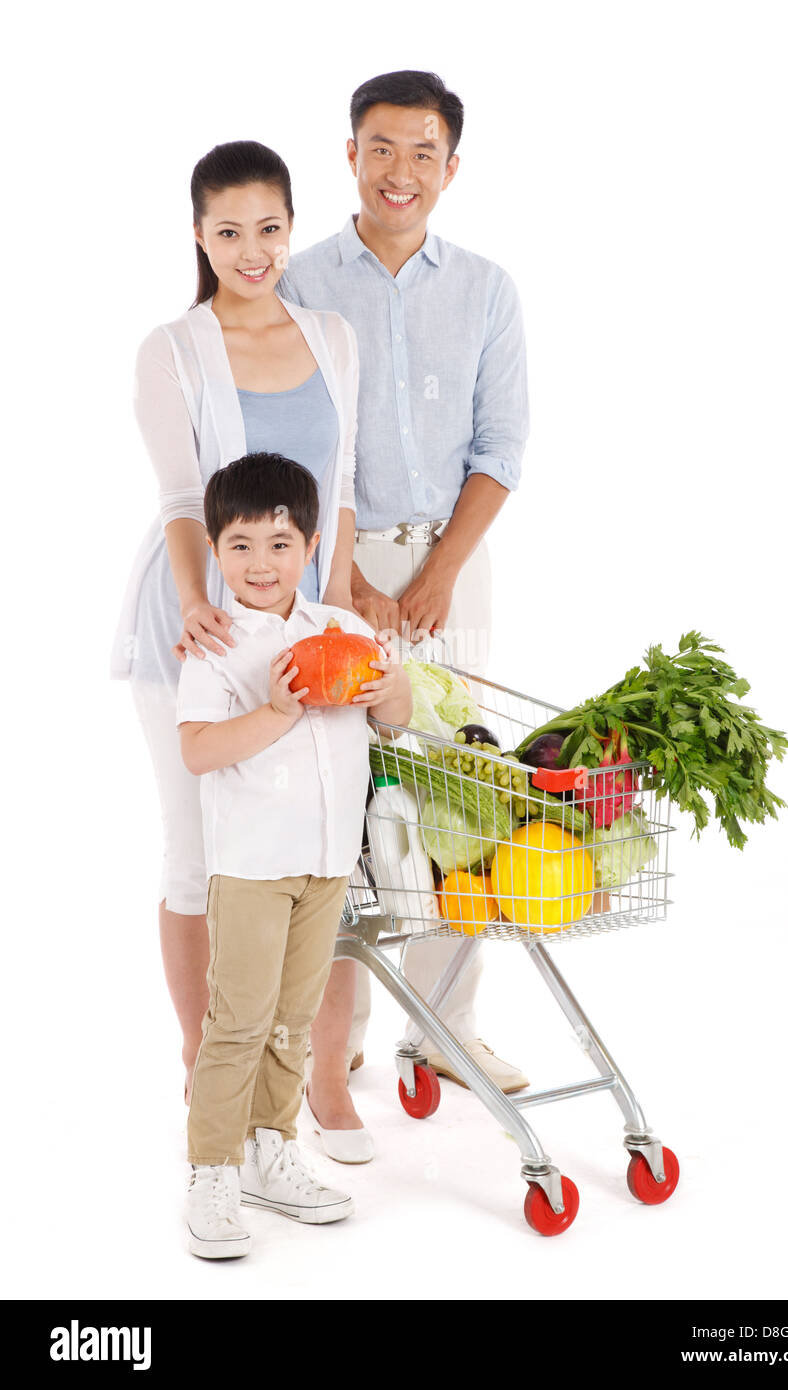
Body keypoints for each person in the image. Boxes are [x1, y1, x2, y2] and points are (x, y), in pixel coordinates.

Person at [277, 70, 532, 1132]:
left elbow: (500, 446)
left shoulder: (484, 288)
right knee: (340, 795)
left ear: (450, 168)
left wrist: (434, 574)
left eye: (423, 153)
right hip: (329, 571)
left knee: (461, 789)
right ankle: (321, 1045)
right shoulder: (293, 281)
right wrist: (348, 578)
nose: (402, 172)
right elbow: (283, 444)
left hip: (449, 565)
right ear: (349, 155)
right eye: (382, 149)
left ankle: (442, 1020)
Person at [110, 141, 370, 1142]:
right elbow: (182, 498)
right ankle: (200, 1059)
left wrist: (339, 605)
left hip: (304, 630)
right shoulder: (170, 347)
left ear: (290, 226)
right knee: (199, 851)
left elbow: (339, 485)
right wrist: (195, 601)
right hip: (200, 625)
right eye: (227, 232)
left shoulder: (333, 335)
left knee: (314, 850)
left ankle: (303, 1071)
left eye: (268, 228)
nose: (250, 251)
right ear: (197, 234)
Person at [179, 451, 411, 1258]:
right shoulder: (213, 644)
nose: (261, 563)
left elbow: (394, 718)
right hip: (250, 865)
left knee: (293, 1022)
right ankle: (211, 1168)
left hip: (325, 862)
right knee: (237, 1022)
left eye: (279, 544)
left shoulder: (341, 630)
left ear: (311, 547)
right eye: (240, 545)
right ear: (216, 553)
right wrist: (279, 709)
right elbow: (200, 751)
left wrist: (391, 691)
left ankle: (269, 1152)